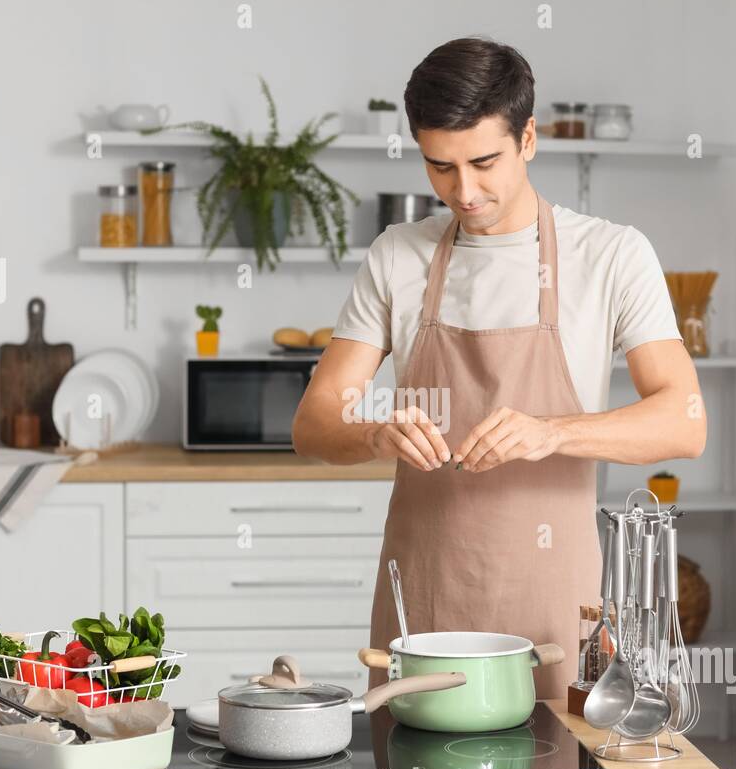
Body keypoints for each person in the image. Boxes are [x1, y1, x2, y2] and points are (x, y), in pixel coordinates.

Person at [292, 37, 705, 699]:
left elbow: (683, 421)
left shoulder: (611, 255)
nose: (465, 190)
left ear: (529, 138)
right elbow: (314, 423)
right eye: (440, 167)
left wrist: (554, 432)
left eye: (484, 162)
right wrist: (373, 433)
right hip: (419, 608)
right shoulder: (399, 254)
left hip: (550, 611)